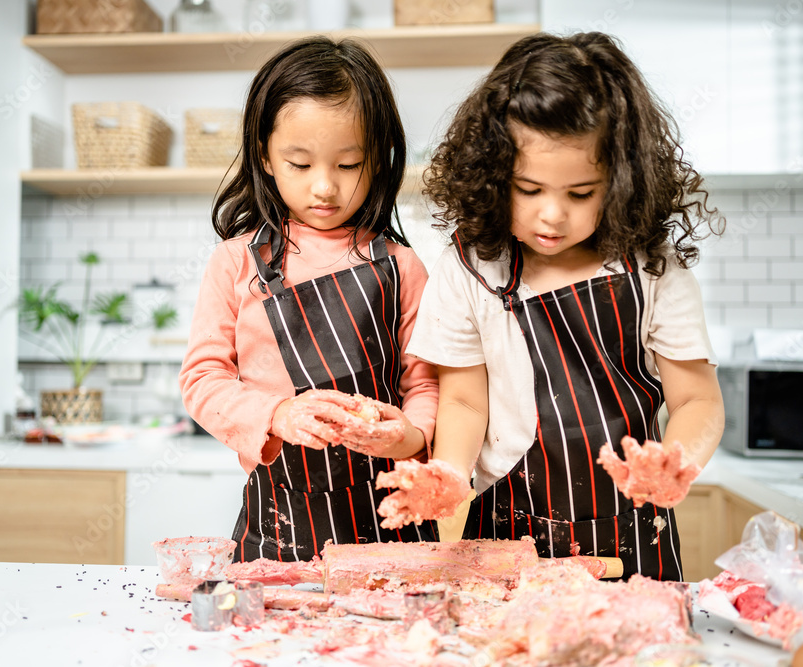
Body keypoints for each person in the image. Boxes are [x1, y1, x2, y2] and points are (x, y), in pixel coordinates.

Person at [387, 31, 725, 581]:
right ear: (495, 174)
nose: (552, 216)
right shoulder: (471, 267)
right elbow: (466, 404)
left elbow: (698, 402)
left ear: (621, 182)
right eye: (529, 188)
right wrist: (449, 472)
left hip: (631, 529)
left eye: (580, 194)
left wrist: (674, 461)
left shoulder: (653, 268)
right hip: (504, 528)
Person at [179, 36, 440, 563]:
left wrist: (410, 436)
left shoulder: (401, 267)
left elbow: (427, 383)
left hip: (391, 527)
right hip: (278, 530)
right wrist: (276, 413)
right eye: (300, 164)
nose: (325, 187)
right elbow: (202, 380)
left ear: (381, 160)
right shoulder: (236, 263)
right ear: (265, 157)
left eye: (348, 165)